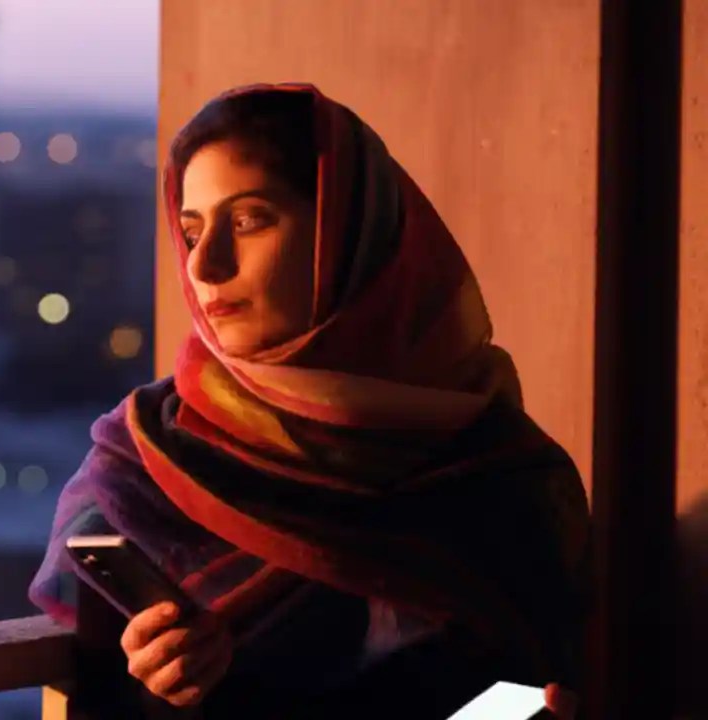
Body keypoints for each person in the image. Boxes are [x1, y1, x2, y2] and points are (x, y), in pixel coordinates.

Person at [29, 84, 591, 718]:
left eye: (247, 221)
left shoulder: (503, 473)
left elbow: (523, 687)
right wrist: (163, 686)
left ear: (346, 233)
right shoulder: (145, 458)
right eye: (191, 231)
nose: (205, 265)